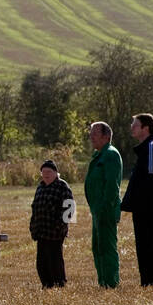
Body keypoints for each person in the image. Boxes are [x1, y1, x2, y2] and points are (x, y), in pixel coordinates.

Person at [120, 113, 153, 286]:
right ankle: (148, 280)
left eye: (135, 124)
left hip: (146, 205)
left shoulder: (152, 148)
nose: (132, 127)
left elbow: (151, 177)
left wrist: (146, 202)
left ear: (145, 128)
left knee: (147, 244)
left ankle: (150, 281)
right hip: (143, 205)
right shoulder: (147, 148)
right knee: (146, 242)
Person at [84, 121, 123, 288]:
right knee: (97, 247)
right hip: (97, 210)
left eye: (95, 134)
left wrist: (104, 207)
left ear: (106, 137)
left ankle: (111, 282)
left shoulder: (111, 155)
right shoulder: (99, 154)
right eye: (90, 133)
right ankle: (103, 282)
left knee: (107, 248)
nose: (91, 137)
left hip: (105, 209)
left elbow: (111, 186)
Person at [29, 159, 74, 288]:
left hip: (55, 233)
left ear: (56, 173)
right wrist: (33, 227)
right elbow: (35, 208)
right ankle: (46, 284)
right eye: (43, 172)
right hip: (41, 231)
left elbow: (70, 208)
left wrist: (62, 226)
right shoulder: (40, 187)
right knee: (41, 262)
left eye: (49, 171)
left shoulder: (62, 186)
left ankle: (59, 283)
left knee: (55, 260)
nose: (46, 174)